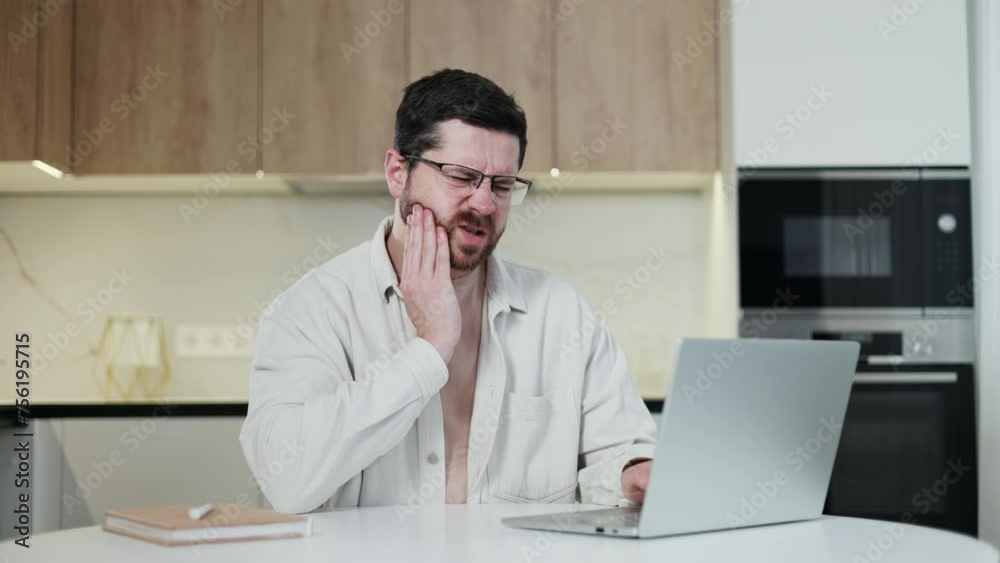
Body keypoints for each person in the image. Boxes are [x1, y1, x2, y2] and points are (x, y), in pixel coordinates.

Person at [239, 69, 657, 514]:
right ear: (397, 173)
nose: (485, 204)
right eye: (461, 176)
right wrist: (429, 349)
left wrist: (631, 474)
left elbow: (620, 450)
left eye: (501, 185)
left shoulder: (561, 312)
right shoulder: (313, 310)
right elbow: (287, 481)